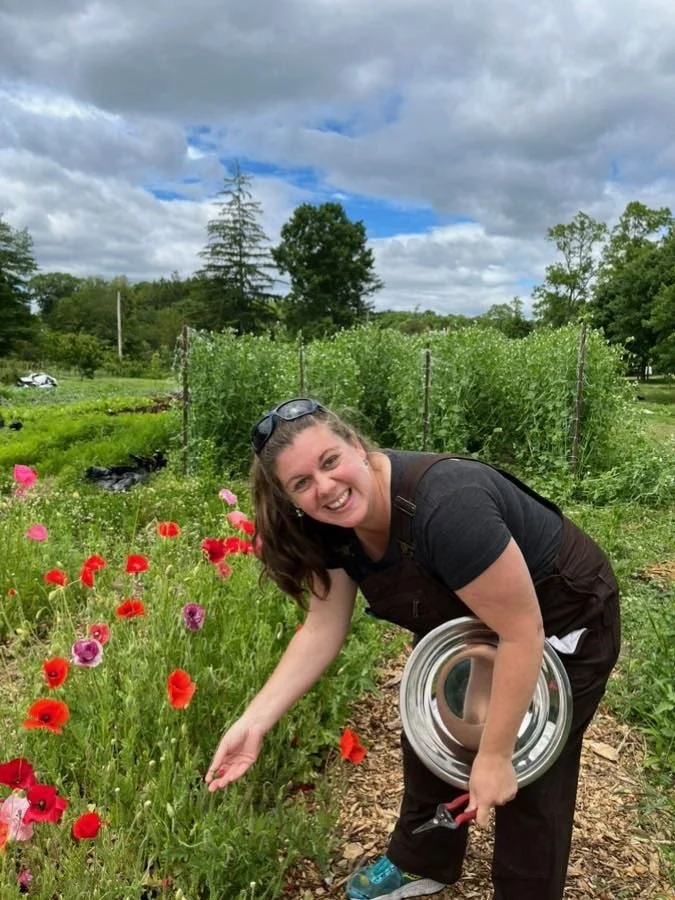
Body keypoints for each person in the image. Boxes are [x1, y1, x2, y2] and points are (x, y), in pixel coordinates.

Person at [205, 398, 621, 900]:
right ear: (290, 498)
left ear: (357, 446)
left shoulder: (447, 507)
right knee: (434, 730)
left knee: (529, 763)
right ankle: (424, 859)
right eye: (302, 483)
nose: (326, 488)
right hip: (474, 620)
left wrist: (492, 756)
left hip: (560, 616)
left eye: (330, 461)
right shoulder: (327, 526)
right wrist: (253, 723)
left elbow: (521, 633)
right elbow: (321, 628)